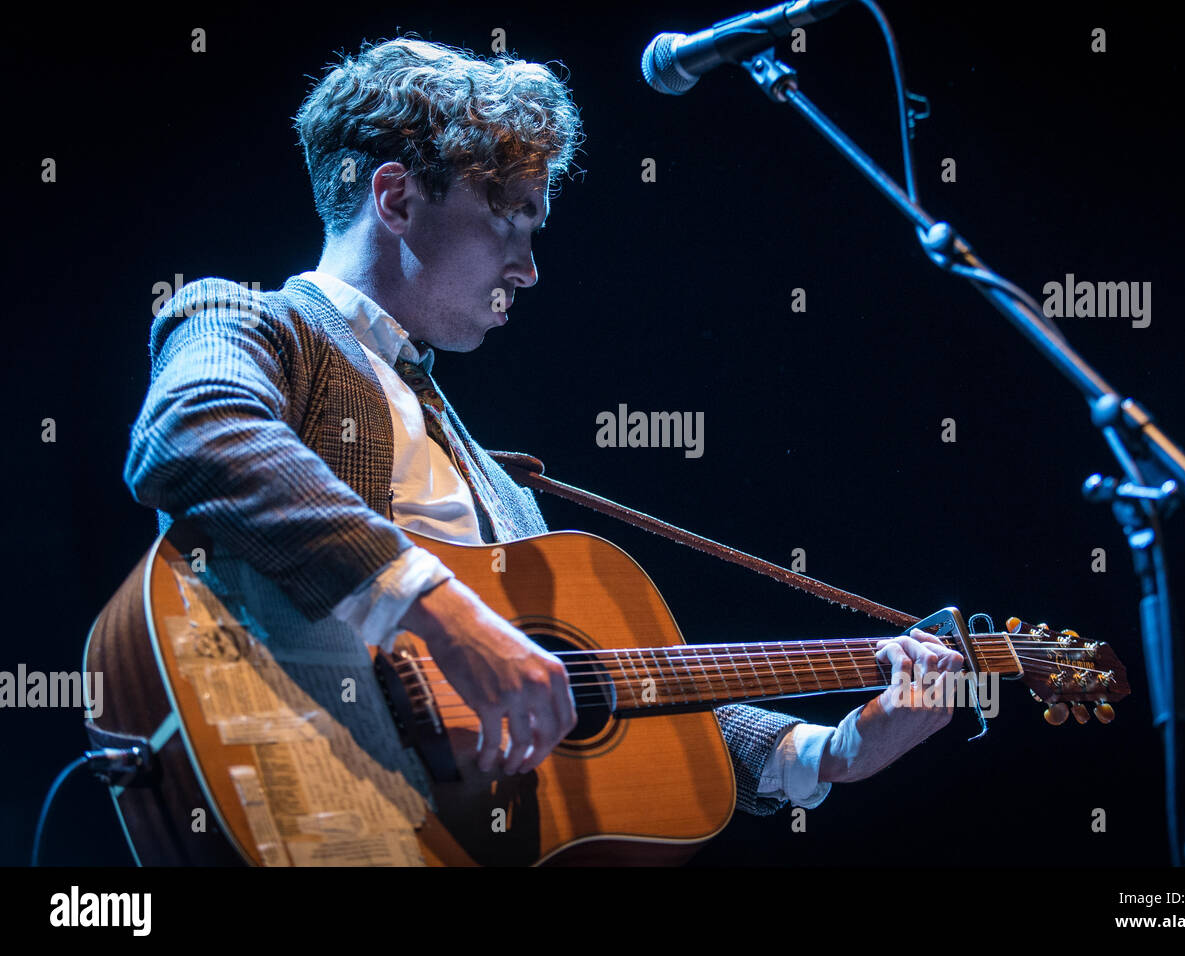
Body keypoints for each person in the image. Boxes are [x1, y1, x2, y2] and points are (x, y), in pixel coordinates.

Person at [124, 37, 963, 826]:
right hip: (313, 799)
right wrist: (441, 612)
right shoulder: (252, 320)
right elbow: (196, 430)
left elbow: (596, 682)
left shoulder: (496, 479)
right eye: (514, 217)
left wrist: (830, 751)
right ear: (396, 196)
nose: (530, 267)